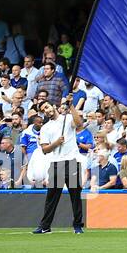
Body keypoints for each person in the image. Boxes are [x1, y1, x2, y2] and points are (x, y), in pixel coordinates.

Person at [32, 100, 85, 234]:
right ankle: (45, 226)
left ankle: (77, 225)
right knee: (52, 197)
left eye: (47, 107)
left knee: (75, 196)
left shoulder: (67, 119)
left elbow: (79, 124)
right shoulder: (45, 128)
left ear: (53, 106)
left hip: (72, 161)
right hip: (56, 163)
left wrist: (71, 105)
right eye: (43, 110)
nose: (46, 110)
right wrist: (56, 143)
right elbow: (45, 149)